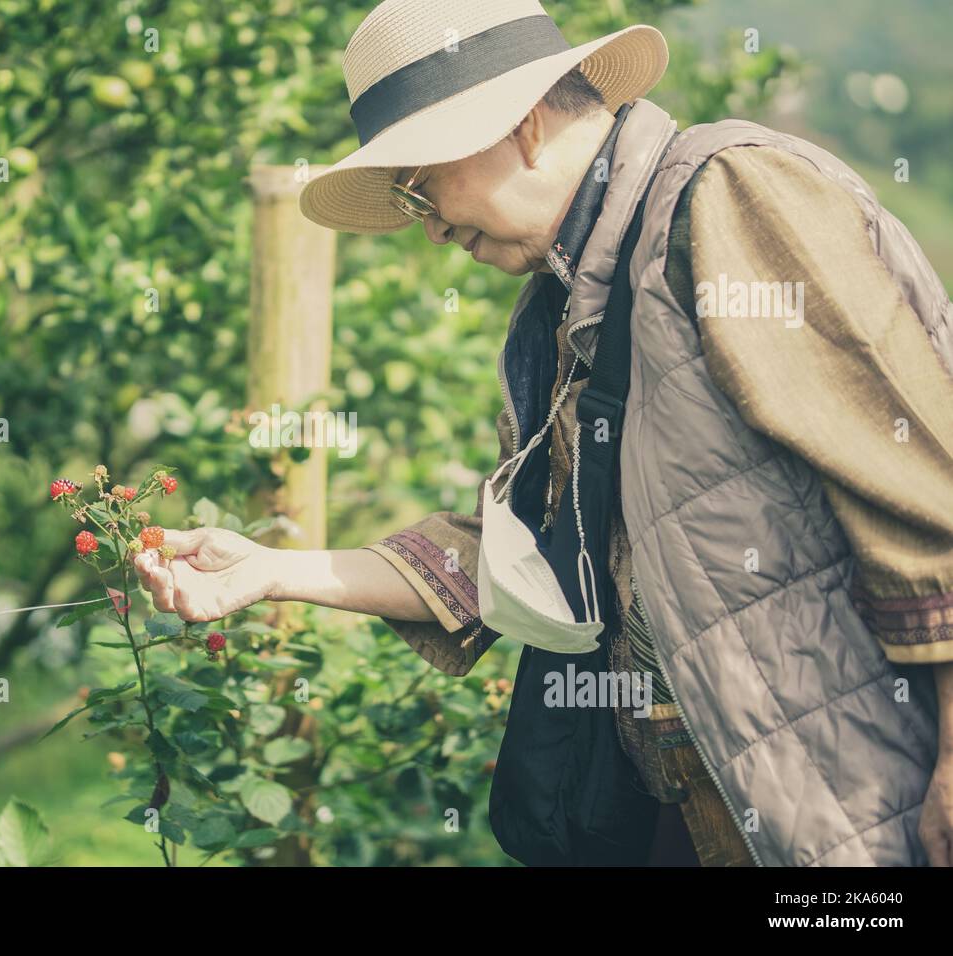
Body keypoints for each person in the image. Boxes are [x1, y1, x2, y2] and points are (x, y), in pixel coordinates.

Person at [134, 0, 953, 866]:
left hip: (863, 808)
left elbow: (919, 486)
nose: (431, 226)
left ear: (519, 125)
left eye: (419, 187)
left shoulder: (731, 196)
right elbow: (524, 551)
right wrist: (268, 570)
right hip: (729, 814)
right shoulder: (580, 302)